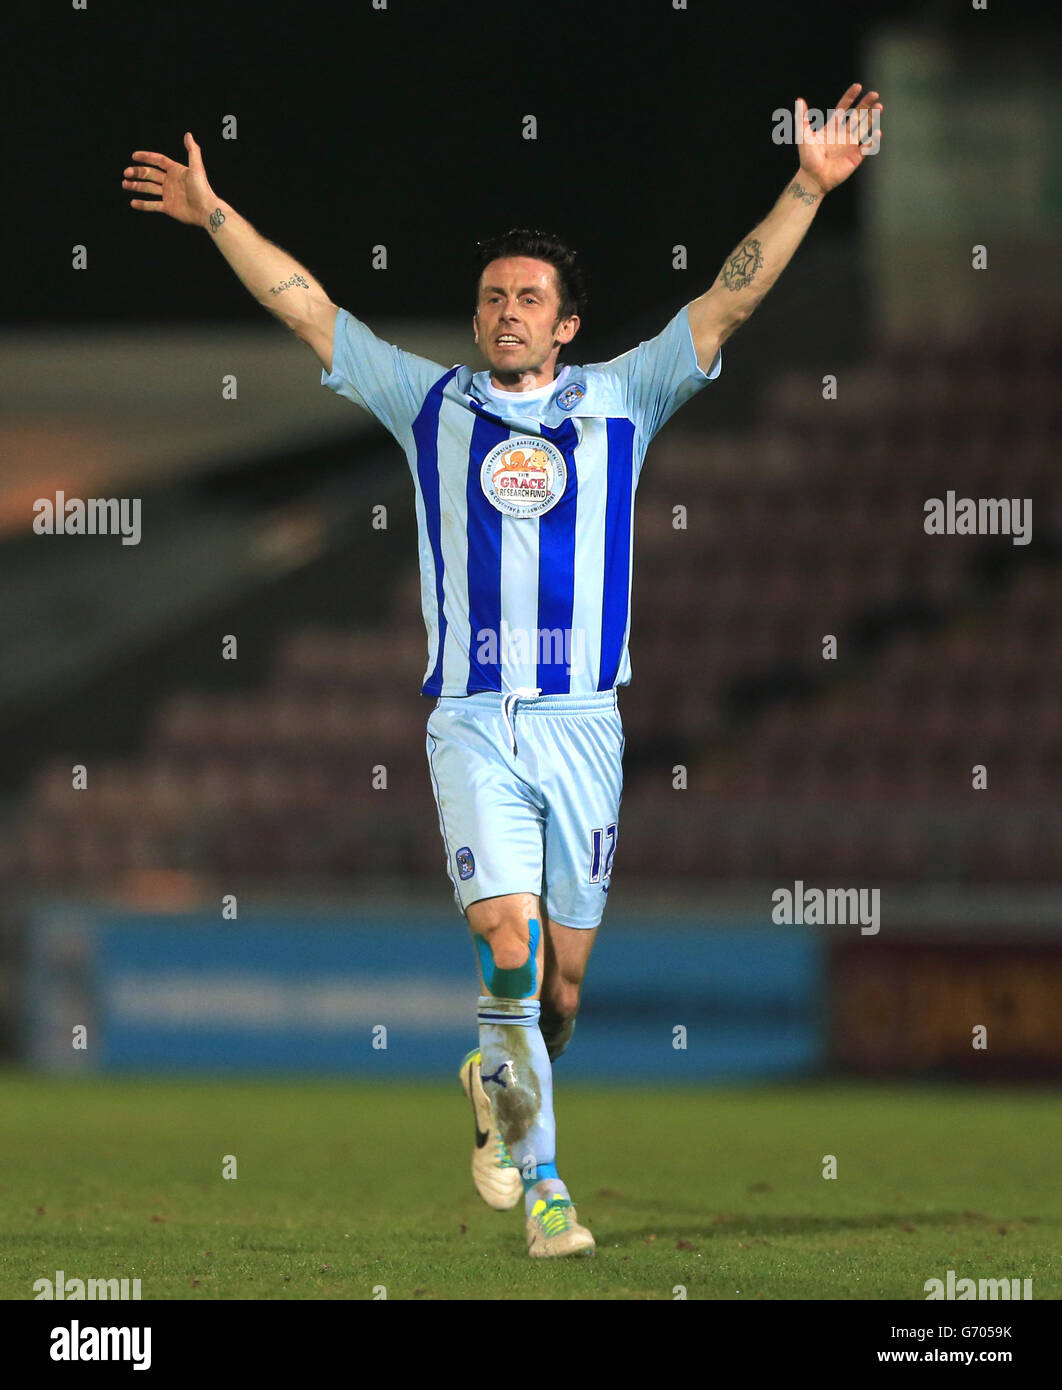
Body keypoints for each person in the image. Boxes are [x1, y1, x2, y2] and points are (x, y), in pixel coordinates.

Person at [122, 84, 882, 1258]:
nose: (506, 311)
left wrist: (808, 186)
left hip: (585, 724)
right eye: (492, 297)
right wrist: (215, 216)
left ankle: (497, 1077)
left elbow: (730, 298)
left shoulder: (625, 396)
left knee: (559, 992)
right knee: (510, 950)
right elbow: (309, 307)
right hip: (473, 721)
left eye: (529, 298)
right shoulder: (427, 402)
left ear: (568, 324)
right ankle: (548, 1190)